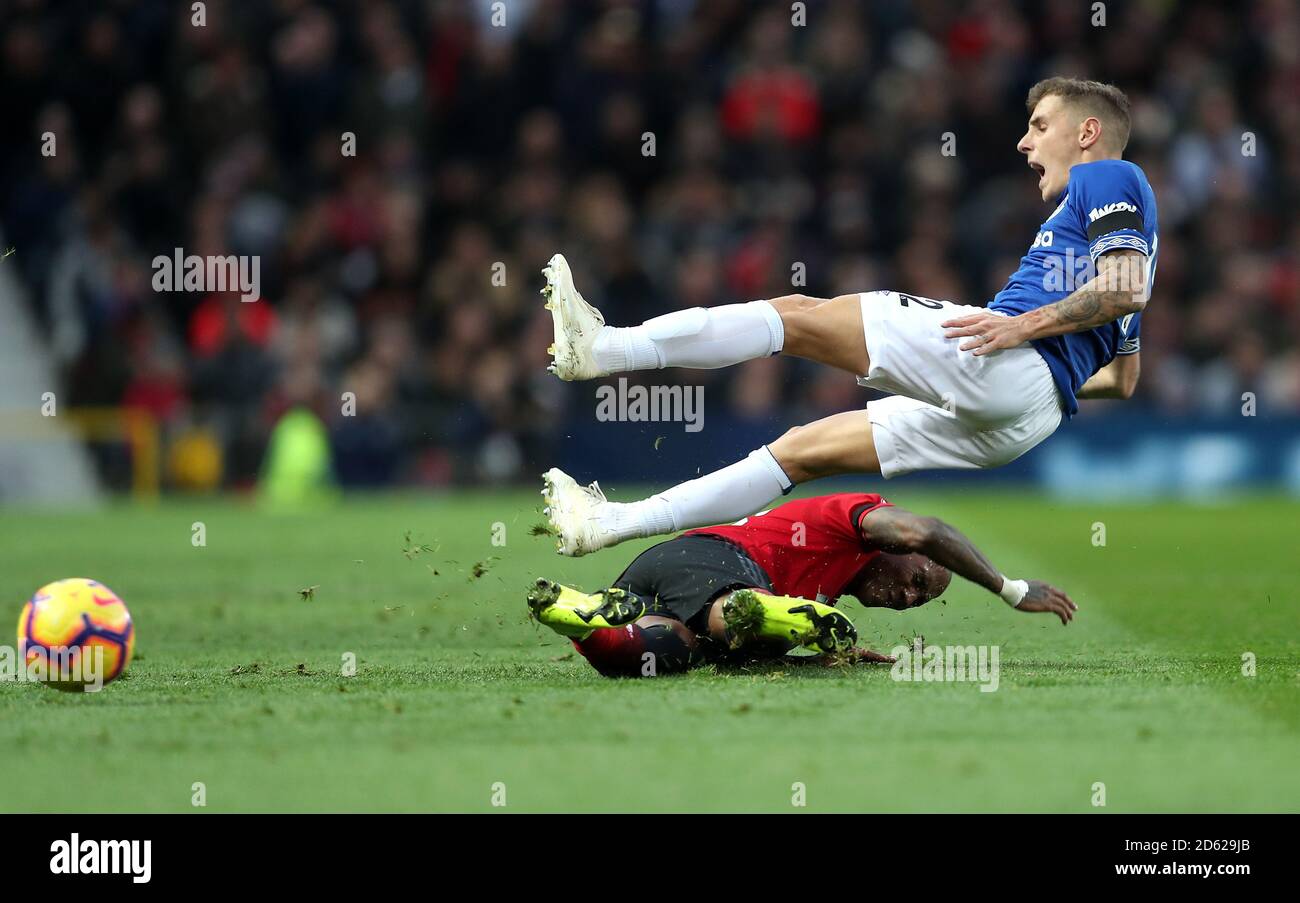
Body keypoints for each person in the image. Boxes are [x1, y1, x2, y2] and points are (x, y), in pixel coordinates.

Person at [538, 77, 1158, 557]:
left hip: (1007, 362)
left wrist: (1022, 329)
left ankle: (605, 350)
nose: (1025, 141)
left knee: (797, 314)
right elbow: (1123, 378)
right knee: (800, 453)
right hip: (1027, 418)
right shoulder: (1109, 231)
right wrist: (1046, 374)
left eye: (1040, 124)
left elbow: (1124, 289)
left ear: (1086, 132)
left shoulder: (1108, 175)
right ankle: (611, 523)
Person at [528, 492, 1077, 678]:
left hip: (663, 574)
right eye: (917, 580)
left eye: (920, 602)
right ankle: (769, 614)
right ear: (896, 548)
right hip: (717, 561)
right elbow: (929, 530)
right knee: (736, 615)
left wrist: (829, 658)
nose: (909, 599)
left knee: (669, 650)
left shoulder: (827, 585)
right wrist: (1009, 588)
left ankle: (586, 616)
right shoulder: (857, 519)